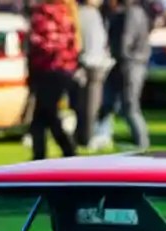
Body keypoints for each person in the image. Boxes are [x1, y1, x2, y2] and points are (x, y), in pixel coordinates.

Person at [27, 0, 80, 159]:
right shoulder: (67, 11)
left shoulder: (43, 13)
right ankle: (50, 152)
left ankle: (66, 151)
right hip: (64, 69)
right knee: (43, 116)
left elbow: (41, 44)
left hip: (48, 70)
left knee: (46, 115)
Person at [95, 0, 150, 151]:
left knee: (130, 106)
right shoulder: (135, 12)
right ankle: (99, 136)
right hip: (128, 63)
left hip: (130, 64)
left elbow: (126, 38)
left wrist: (117, 54)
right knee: (110, 103)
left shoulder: (131, 13)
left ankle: (142, 144)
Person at [72, 0, 111, 149]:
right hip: (94, 63)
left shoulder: (81, 13)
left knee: (84, 105)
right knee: (91, 106)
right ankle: (87, 137)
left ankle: (83, 137)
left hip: (86, 63)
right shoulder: (91, 14)